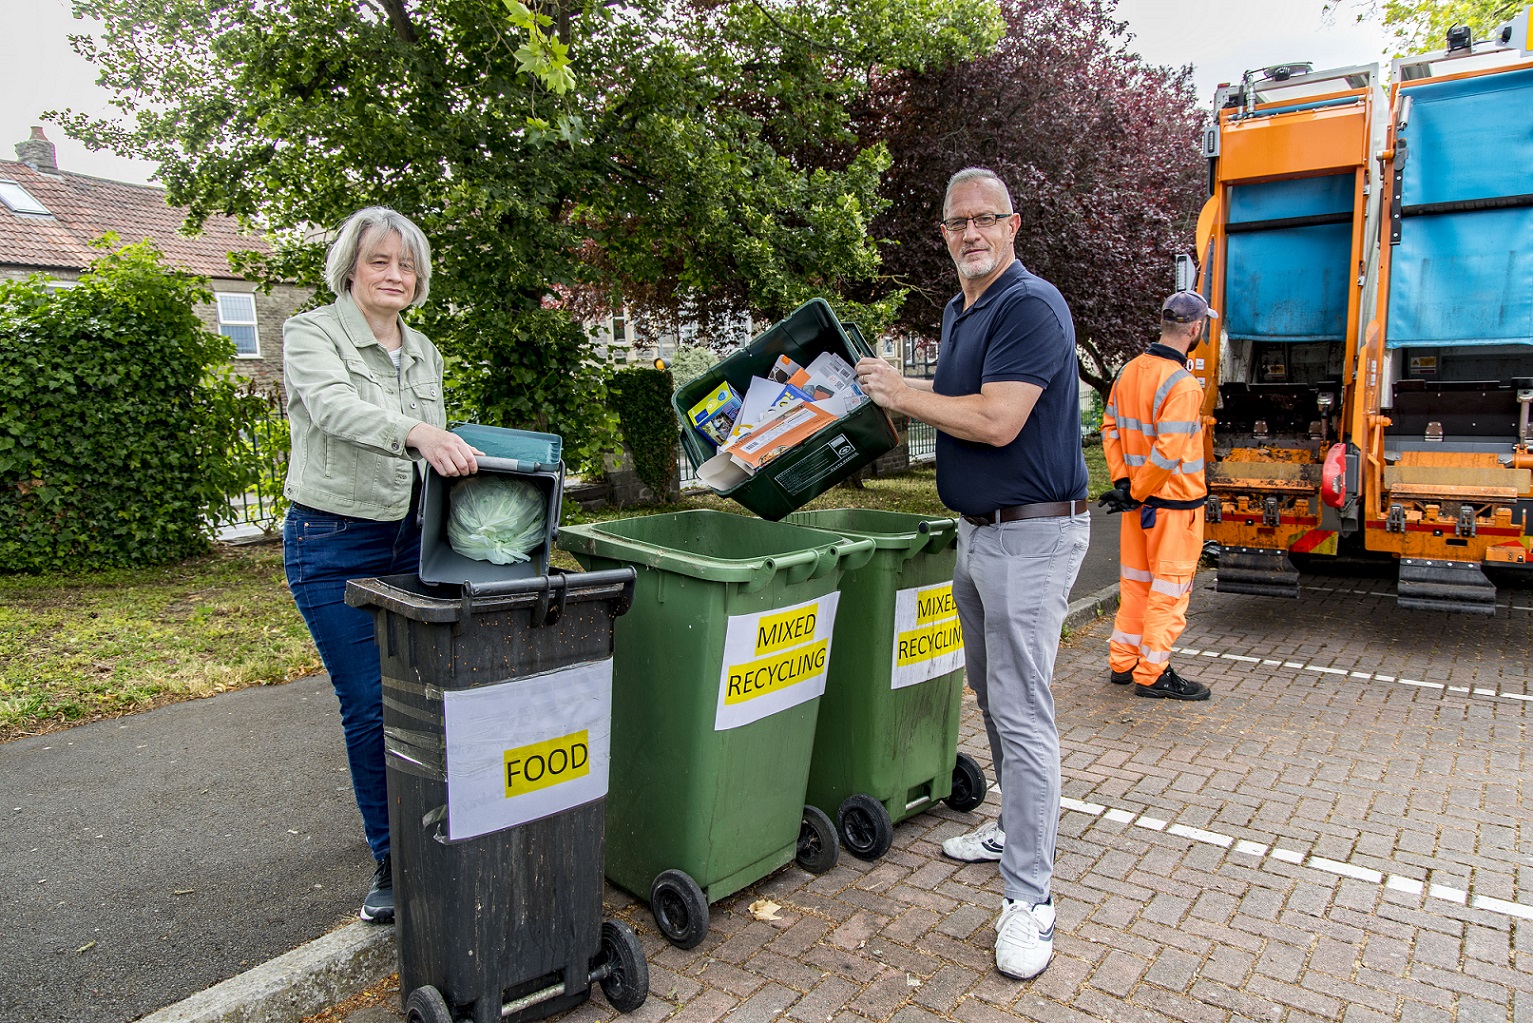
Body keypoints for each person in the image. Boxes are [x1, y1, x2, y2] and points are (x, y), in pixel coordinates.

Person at [856, 167, 1090, 981]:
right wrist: (885, 393)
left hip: (1032, 537)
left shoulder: (1030, 305)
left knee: (1023, 715)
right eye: (957, 223)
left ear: (1012, 224)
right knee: (993, 697)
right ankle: (1010, 831)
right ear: (944, 233)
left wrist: (902, 393)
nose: (971, 233)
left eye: (986, 219)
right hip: (978, 534)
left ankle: (1030, 896)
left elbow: (996, 418)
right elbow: (952, 398)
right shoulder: (962, 310)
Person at [282, 207, 481, 923]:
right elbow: (333, 409)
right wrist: (418, 431)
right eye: (380, 261)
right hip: (333, 541)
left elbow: (438, 455)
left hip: (411, 540)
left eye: (407, 265)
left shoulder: (422, 348)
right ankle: (392, 857)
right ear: (351, 267)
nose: (395, 275)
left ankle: (438, 825)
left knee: (429, 696)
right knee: (371, 704)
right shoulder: (311, 333)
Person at [1097, 291, 1215, 701]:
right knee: (1170, 592)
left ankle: (1123, 662)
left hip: (1139, 508)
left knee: (1136, 587)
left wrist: (1126, 485)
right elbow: (1169, 451)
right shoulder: (1182, 386)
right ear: (1196, 329)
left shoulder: (1129, 371)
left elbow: (1109, 427)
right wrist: (1140, 489)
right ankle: (1153, 674)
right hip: (1174, 509)